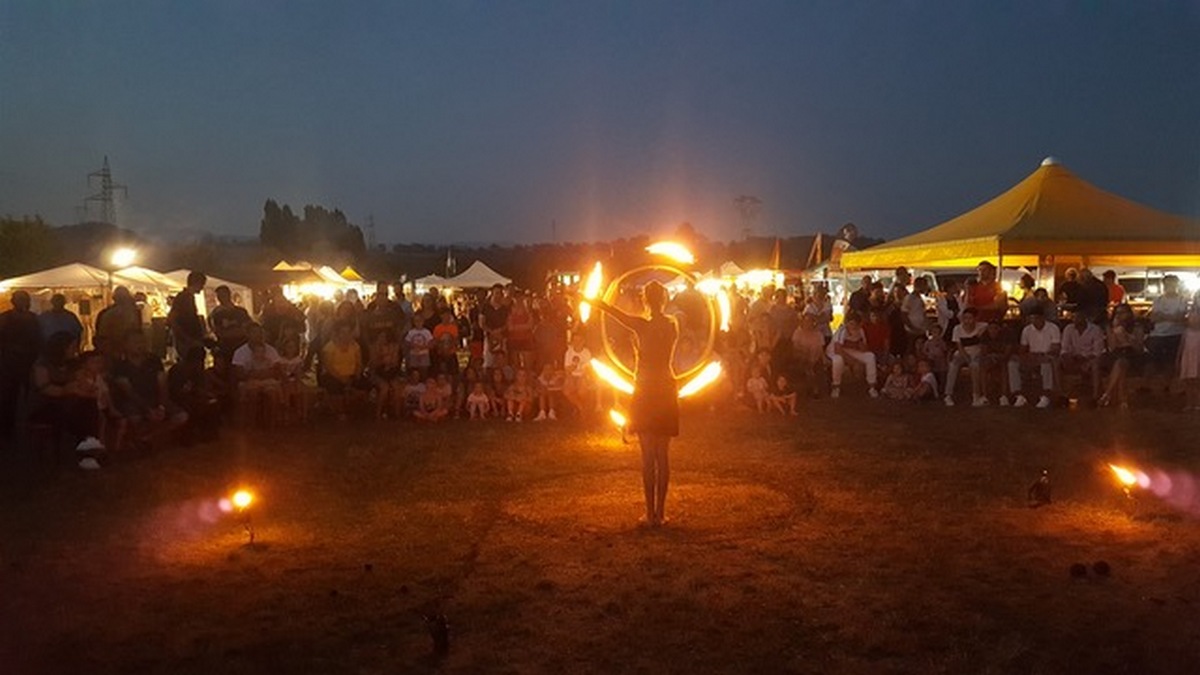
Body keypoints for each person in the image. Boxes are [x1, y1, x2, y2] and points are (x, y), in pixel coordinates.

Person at [592, 281, 679, 527]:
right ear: (663, 299)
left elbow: (612, 312)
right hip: (665, 385)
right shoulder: (673, 324)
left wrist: (589, 299)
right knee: (662, 455)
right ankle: (661, 514)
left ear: (644, 300)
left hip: (645, 387)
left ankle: (649, 514)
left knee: (648, 454)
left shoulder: (641, 325)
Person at [112, 331, 188, 448]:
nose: (140, 345)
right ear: (125, 345)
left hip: (155, 398)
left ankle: (150, 436)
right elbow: (128, 391)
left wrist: (161, 405)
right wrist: (148, 409)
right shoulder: (120, 366)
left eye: (142, 342)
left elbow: (162, 384)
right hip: (133, 402)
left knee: (181, 416)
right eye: (135, 342)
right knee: (134, 417)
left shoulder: (154, 361)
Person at [0, 290, 42, 439]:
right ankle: (8, 428)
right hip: (9, 364)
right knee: (8, 397)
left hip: (27, 363)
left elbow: (38, 340)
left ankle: (26, 425)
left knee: (29, 396)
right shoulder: (5, 318)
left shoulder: (33, 319)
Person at [1007, 307, 1061, 408]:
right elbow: (1023, 348)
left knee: (1046, 363)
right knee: (1012, 363)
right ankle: (1018, 395)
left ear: (1042, 318)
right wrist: (1023, 356)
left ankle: (1046, 395)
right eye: (1032, 318)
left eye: (1036, 318)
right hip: (1032, 357)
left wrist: (1043, 355)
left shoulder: (1053, 328)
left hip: (1047, 356)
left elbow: (1056, 348)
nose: (1034, 321)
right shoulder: (1027, 330)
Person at [1099, 304, 1144, 408]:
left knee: (1121, 363)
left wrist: (1127, 336)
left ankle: (1107, 394)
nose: (1120, 315)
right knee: (1121, 364)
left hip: (1133, 354)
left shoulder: (1137, 327)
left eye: (1123, 312)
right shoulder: (1110, 327)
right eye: (1117, 313)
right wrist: (1115, 332)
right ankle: (1121, 399)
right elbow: (1112, 347)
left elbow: (1139, 348)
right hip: (1116, 354)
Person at [1146, 275, 1188, 382]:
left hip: (1175, 333)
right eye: (1167, 284)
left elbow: (1180, 317)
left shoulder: (1182, 300)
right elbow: (1154, 318)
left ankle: (1170, 382)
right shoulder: (1158, 300)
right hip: (1158, 334)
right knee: (1154, 359)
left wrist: (1163, 316)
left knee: (1172, 360)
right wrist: (1171, 317)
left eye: (1172, 284)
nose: (1170, 286)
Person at [827, 313, 879, 399]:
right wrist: (854, 363)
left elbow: (865, 348)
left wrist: (862, 347)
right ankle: (836, 386)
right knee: (838, 360)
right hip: (834, 351)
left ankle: (872, 387)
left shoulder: (860, 331)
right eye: (850, 323)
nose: (852, 326)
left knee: (870, 356)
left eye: (855, 324)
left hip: (850, 351)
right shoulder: (842, 331)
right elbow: (838, 350)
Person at [944, 307, 989, 407]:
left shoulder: (982, 326)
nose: (967, 321)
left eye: (970, 318)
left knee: (975, 366)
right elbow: (959, 347)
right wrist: (967, 359)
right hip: (961, 353)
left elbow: (989, 326)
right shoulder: (957, 329)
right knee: (953, 366)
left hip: (976, 353)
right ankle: (948, 395)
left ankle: (975, 396)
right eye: (965, 318)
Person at [320, 321, 364, 421]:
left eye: (348, 332)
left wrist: (357, 374)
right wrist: (341, 378)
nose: (346, 335)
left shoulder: (355, 346)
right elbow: (328, 366)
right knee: (336, 387)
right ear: (337, 333)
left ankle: (354, 409)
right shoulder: (330, 347)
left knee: (362, 386)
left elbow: (359, 363)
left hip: (351, 373)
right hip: (333, 375)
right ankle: (339, 411)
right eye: (343, 332)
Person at [1059, 312, 1106, 401]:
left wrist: (1086, 360)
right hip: (1074, 358)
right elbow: (1064, 349)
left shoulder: (1095, 330)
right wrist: (1068, 357)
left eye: (1079, 318)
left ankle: (1095, 396)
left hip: (1090, 358)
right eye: (1075, 318)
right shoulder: (1068, 329)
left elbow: (1098, 351)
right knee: (1057, 362)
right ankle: (1061, 395)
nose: (1076, 320)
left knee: (1095, 364)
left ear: (1085, 319)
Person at [168, 271, 207, 358]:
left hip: (189, 339)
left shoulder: (187, 297)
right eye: (202, 284)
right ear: (196, 283)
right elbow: (172, 319)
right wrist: (186, 338)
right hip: (187, 341)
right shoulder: (183, 297)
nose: (202, 287)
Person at [208, 285, 252, 363]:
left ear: (229, 295)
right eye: (219, 296)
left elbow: (247, 328)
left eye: (223, 295)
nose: (221, 298)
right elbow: (218, 332)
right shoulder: (216, 314)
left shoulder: (241, 312)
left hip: (241, 346)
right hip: (226, 349)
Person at [1178, 310, 1200, 412]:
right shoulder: (1186, 332)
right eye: (1191, 318)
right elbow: (1181, 347)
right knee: (1188, 382)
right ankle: (1189, 403)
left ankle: (1197, 403)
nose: (1193, 320)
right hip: (1187, 358)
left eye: (1196, 318)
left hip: (1197, 359)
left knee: (1196, 382)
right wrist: (1178, 359)